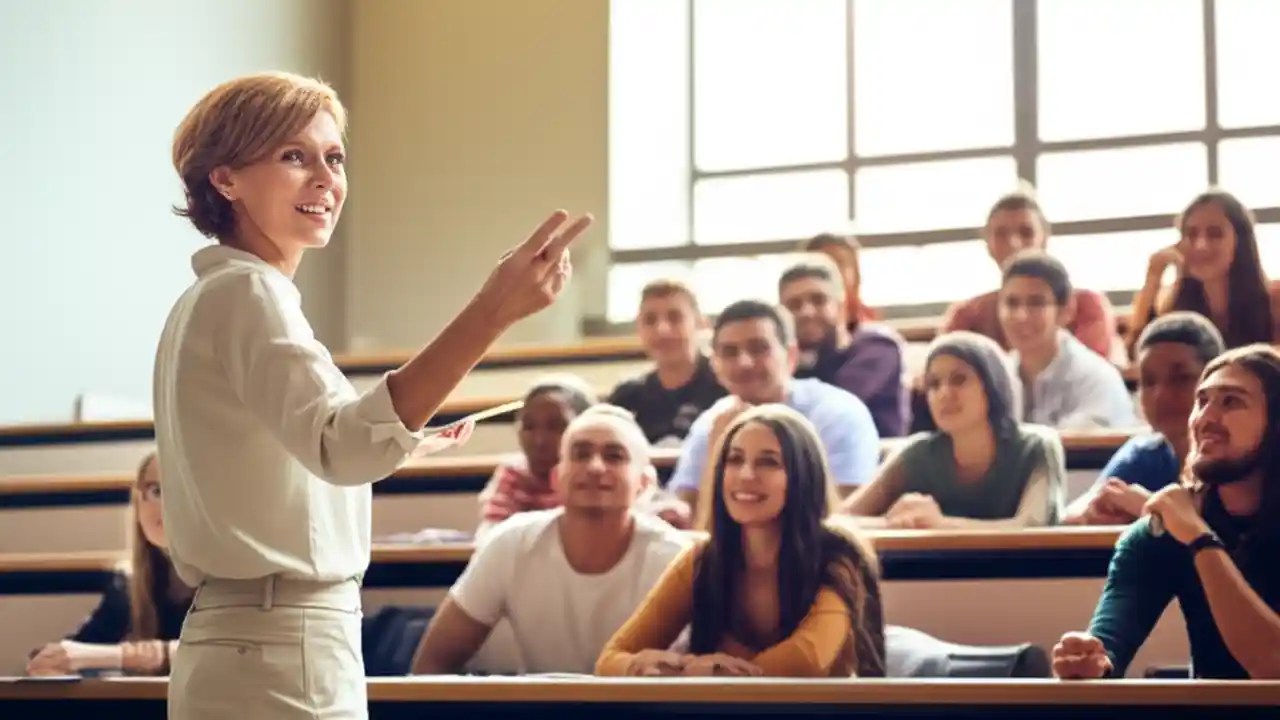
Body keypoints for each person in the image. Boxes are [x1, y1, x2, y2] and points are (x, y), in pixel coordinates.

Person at [155, 72, 591, 719]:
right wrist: (491, 311)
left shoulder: (213, 299)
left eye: (334, 157)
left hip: (251, 638)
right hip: (280, 641)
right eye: (293, 156)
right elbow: (343, 446)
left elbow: (296, 457)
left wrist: (408, 438)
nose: (326, 178)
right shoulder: (248, 294)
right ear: (226, 179)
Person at [596, 404, 886, 678]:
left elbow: (806, 660)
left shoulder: (839, 555)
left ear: (802, 476)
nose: (746, 475)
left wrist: (703, 674)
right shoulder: (703, 559)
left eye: (768, 462)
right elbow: (610, 659)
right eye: (734, 460)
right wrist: (655, 667)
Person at [1053, 345, 1280, 680]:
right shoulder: (1165, 529)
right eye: (1202, 402)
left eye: (1231, 401)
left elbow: (1273, 666)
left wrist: (1201, 541)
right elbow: (1108, 646)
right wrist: (1089, 660)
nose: (1205, 419)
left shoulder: (1186, 525)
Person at [412, 405, 691, 675]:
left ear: (644, 483)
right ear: (557, 477)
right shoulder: (511, 543)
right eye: (580, 455)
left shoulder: (675, 557)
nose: (595, 467)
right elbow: (431, 664)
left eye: (614, 456)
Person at [665, 300, 880, 522]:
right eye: (730, 352)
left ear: (791, 355)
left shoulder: (836, 414)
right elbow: (685, 514)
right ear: (715, 365)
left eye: (758, 348)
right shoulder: (712, 421)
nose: (744, 363)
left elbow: (841, 514)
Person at [841, 332, 1066, 528]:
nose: (944, 394)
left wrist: (940, 523)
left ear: (992, 385)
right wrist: (898, 521)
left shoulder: (1037, 447)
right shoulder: (915, 454)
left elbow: (1032, 527)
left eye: (959, 380)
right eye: (934, 384)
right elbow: (842, 520)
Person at [25, 451, 193, 676]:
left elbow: (228, 652)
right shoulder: (128, 586)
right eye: (157, 491)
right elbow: (78, 648)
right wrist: (54, 660)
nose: (168, 505)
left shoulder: (239, 579)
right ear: (138, 501)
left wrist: (129, 656)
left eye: (184, 492)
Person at [1065, 313, 1226, 525]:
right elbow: (1071, 517)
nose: (1161, 394)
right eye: (1148, 381)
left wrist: (1150, 507)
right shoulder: (1145, 455)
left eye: (1181, 378)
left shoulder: (1241, 456)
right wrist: (1095, 514)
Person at [942, 188, 1120, 360]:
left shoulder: (1087, 305)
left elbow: (1089, 368)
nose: (1014, 243)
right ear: (988, 244)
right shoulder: (968, 315)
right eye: (1001, 234)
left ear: (1044, 238)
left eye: (1026, 232)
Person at [1128, 189, 1280, 354]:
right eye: (1191, 234)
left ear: (1240, 242)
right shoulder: (1172, 305)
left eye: (1215, 234)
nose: (1201, 245)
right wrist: (1153, 277)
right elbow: (1139, 357)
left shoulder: (1274, 301)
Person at [999, 250, 1137, 430]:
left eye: (1036, 303)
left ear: (1066, 311)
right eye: (1011, 303)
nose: (1021, 316)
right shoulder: (997, 375)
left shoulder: (1094, 379)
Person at [779, 255, 908, 437]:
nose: (806, 312)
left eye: (818, 300)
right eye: (794, 305)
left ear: (841, 305)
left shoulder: (877, 348)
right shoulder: (785, 363)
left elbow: (831, 410)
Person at [608, 279, 725, 447]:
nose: (662, 330)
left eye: (675, 318)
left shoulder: (726, 389)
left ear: (700, 324)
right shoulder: (626, 399)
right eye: (650, 320)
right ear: (638, 329)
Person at [476, 376, 595, 538]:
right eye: (529, 426)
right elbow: (492, 540)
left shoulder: (599, 478)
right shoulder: (513, 477)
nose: (539, 441)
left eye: (555, 426)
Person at [801, 233, 879, 325]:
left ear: (855, 272)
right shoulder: (795, 318)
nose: (832, 270)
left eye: (839, 263)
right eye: (824, 264)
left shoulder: (869, 326)